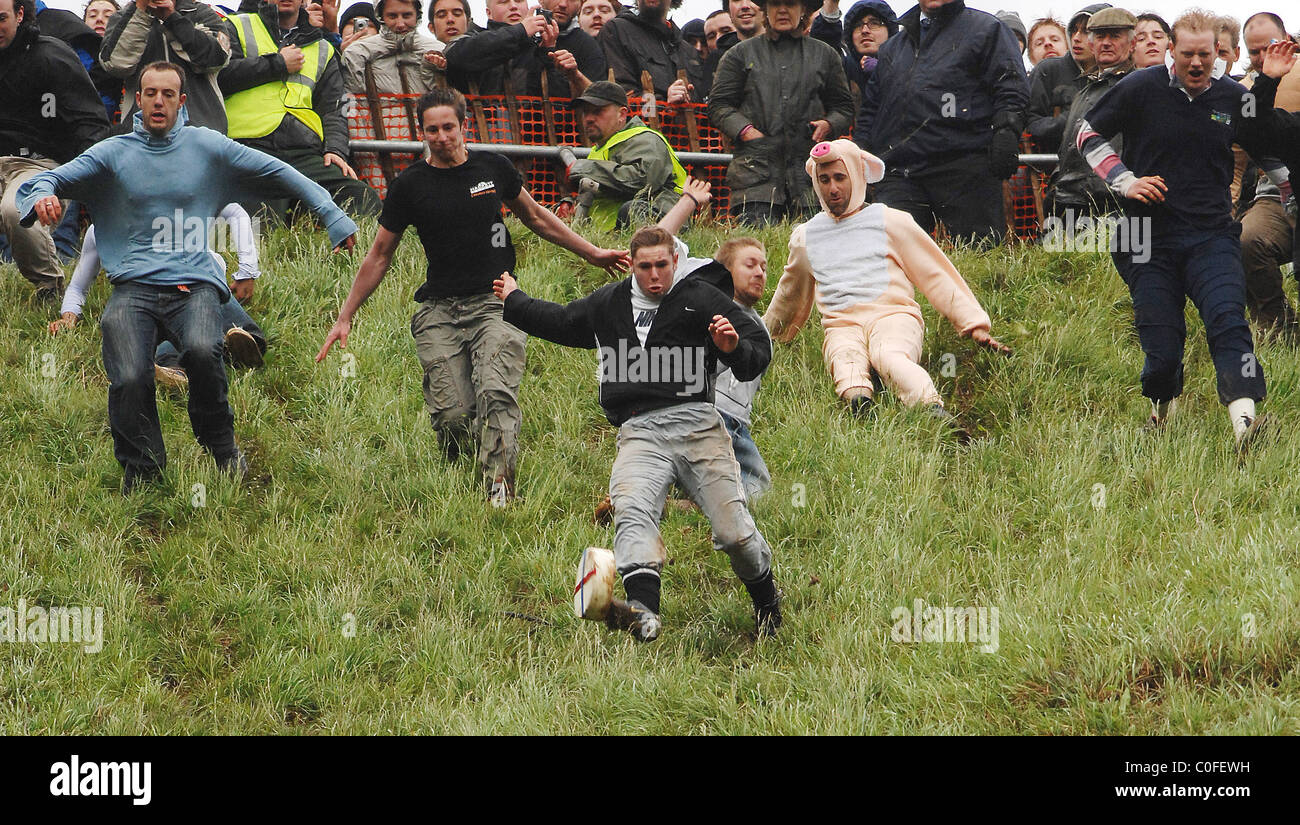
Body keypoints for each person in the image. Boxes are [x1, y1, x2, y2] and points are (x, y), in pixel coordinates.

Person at [18, 62, 358, 492]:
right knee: (128, 376)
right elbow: (47, 179)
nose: (158, 101)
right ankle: (143, 471)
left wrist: (331, 213)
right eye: (149, 93)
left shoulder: (208, 146)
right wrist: (43, 196)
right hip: (133, 288)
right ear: (137, 100)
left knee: (201, 351)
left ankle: (222, 449)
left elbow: (277, 170)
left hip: (194, 284)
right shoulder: (113, 153)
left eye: (167, 94)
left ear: (182, 101)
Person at [316, 87, 628, 505]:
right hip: (439, 310)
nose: (442, 137)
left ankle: (499, 491)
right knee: (454, 415)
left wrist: (592, 253)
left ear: (464, 126)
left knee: (496, 391)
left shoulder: (492, 168)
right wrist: (345, 315)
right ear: (421, 132)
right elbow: (379, 254)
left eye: (449, 127)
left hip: (497, 301)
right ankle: (459, 463)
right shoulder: (410, 185)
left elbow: (536, 217)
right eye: (432, 130)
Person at [495, 226, 780, 643]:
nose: (654, 276)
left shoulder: (700, 298)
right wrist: (514, 299)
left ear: (676, 263)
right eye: (644, 267)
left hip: (698, 425)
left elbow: (758, 347)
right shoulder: (609, 304)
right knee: (631, 510)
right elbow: (560, 321)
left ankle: (768, 605)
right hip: (639, 431)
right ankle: (644, 612)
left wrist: (732, 347)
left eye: (662, 266)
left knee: (734, 532)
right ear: (630, 266)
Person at [1077, 9, 1276, 447]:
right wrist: (1125, 181)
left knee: (1228, 321)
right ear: (1172, 49)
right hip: (1148, 238)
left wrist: (1290, 191)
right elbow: (1087, 134)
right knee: (1162, 339)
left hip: (1211, 234)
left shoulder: (1231, 96)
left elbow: (1268, 150)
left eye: (1206, 55)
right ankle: (1161, 415)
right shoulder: (1139, 87)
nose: (1197, 64)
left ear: (1217, 53)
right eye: (1188, 54)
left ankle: (1245, 423)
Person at [766, 139, 1010, 432]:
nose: (833, 188)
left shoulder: (890, 221)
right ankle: (861, 406)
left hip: (893, 315)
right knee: (845, 360)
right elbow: (790, 293)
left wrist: (973, 323)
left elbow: (935, 273)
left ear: (857, 176)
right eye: (824, 179)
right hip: (841, 324)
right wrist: (766, 334)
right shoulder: (807, 236)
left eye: (840, 178)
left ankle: (930, 408)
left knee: (890, 356)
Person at [854, 0, 1029, 244]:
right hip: (900, 173)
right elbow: (871, 108)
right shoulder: (892, 48)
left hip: (965, 169)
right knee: (892, 260)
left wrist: (1007, 131)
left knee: (977, 260)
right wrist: (858, 150)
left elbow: (1011, 86)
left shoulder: (988, 29)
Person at [50, 203, 269, 388]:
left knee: (199, 298)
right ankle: (186, 365)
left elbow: (234, 211)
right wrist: (68, 317)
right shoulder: (99, 233)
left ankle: (249, 342)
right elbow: (78, 286)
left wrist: (248, 271)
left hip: (201, 281)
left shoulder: (171, 200)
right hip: (149, 298)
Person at [660, 178, 773, 499]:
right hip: (710, 416)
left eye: (764, 267)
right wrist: (689, 202)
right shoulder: (699, 295)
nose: (760, 273)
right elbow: (656, 243)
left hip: (724, 422)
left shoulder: (758, 328)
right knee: (756, 487)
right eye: (750, 264)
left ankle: (661, 500)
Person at [0, 0, 110, 301]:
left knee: (17, 209)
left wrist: (83, 178)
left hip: (37, 165)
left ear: (20, 14)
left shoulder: (51, 55)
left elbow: (90, 121)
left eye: (1, 18)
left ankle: (49, 286)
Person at [709, 0, 854, 226]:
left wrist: (829, 124)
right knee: (755, 253)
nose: (783, 10)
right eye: (776, 4)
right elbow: (719, 105)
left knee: (812, 251)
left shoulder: (825, 54)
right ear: (765, 9)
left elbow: (844, 108)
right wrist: (746, 131)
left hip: (811, 177)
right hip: (755, 179)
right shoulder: (739, 54)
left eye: (791, 3)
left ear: (804, 9)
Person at [1235, 20, 1297, 334]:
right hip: (1275, 191)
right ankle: (1280, 328)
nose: (1262, 55)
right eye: (1254, 50)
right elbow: (1242, 142)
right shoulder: (1245, 88)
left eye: (1269, 45)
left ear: (1286, 39)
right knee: (1245, 239)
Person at [1045, 7, 1137, 219]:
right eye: (1099, 35)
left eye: (1114, 36)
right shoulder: (1085, 88)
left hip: (1112, 204)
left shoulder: (1138, 87)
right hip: (1069, 202)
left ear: (1132, 44)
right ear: (1091, 44)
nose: (1106, 42)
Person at [557, 81, 685, 230]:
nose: (588, 118)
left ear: (622, 114)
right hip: (612, 236)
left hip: (662, 232)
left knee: (630, 209)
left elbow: (644, 182)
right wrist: (572, 203)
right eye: (585, 112)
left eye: (597, 111)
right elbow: (605, 191)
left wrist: (584, 168)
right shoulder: (599, 150)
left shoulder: (645, 139)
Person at [99, 0, 232, 133]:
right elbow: (116, 63)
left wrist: (172, 19)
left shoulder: (201, 13)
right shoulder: (122, 17)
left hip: (202, 132)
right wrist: (140, 13)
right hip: (141, 136)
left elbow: (217, 58)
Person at [443, 0, 600, 98]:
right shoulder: (475, 37)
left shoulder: (539, 45)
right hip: (485, 140)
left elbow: (557, 104)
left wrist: (547, 54)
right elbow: (456, 57)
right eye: (503, 1)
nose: (513, 7)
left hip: (533, 143)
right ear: (488, 13)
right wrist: (520, 31)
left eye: (519, 1)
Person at [1026, 3, 1108, 153]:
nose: (1077, 38)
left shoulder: (1125, 75)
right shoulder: (1048, 70)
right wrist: (1073, 119)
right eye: (1074, 30)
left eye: (1086, 31)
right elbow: (1032, 123)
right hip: (1056, 168)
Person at [598, 0, 704, 103]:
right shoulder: (617, 31)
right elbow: (622, 92)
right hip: (641, 119)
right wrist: (664, 105)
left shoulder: (688, 50)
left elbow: (702, 102)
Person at [341, 0, 443, 96]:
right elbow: (352, 103)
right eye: (392, 16)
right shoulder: (356, 54)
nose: (400, 24)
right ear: (381, 17)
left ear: (418, 15)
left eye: (406, 16)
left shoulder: (439, 50)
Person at [808, 0, 897, 96]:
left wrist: (882, 70)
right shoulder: (845, 68)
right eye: (858, 25)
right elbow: (825, 45)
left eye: (874, 23)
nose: (865, 30)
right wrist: (831, 5)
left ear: (890, 30)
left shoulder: (908, 62)